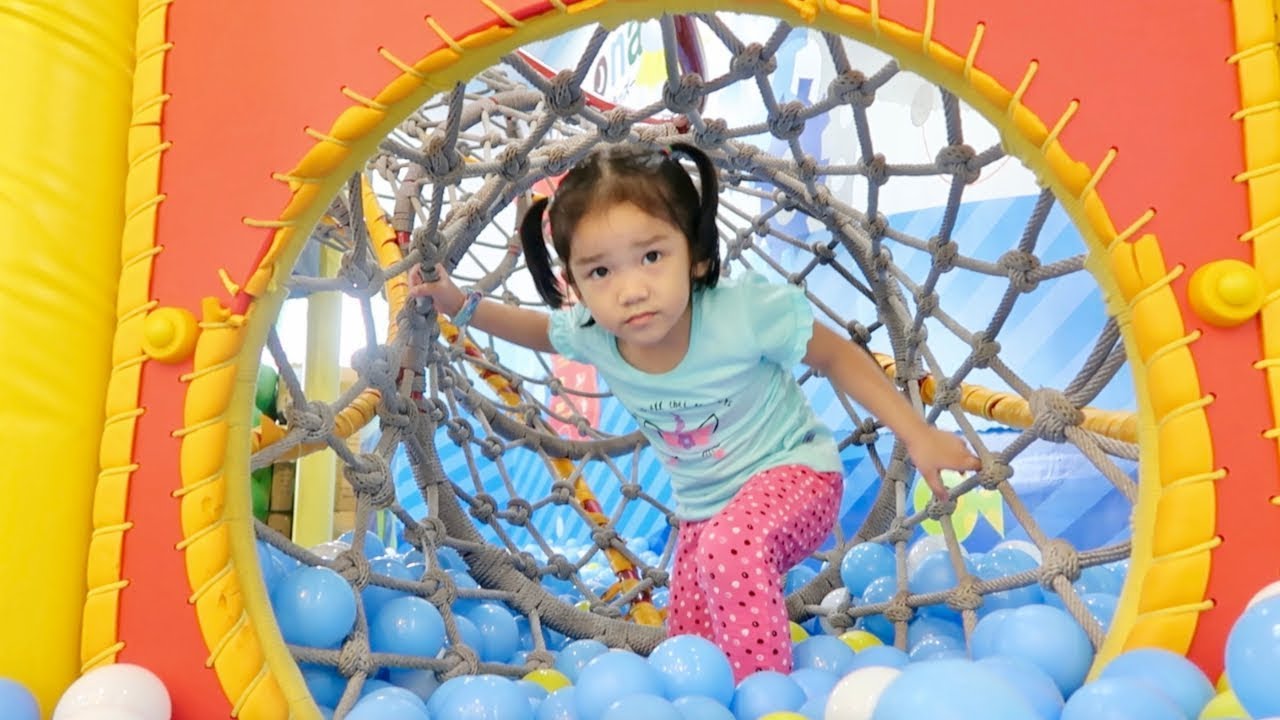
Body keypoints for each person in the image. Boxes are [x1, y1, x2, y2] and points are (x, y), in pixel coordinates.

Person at [408, 141, 982, 680]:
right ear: (574, 282)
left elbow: (837, 356)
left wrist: (916, 434)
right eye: (600, 271)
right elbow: (537, 330)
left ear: (696, 256)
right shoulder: (595, 333)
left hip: (798, 476)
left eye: (652, 256)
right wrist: (460, 304)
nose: (631, 290)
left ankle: (764, 695)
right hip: (704, 513)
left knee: (729, 550)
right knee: (690, 638)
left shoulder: (741, 312)